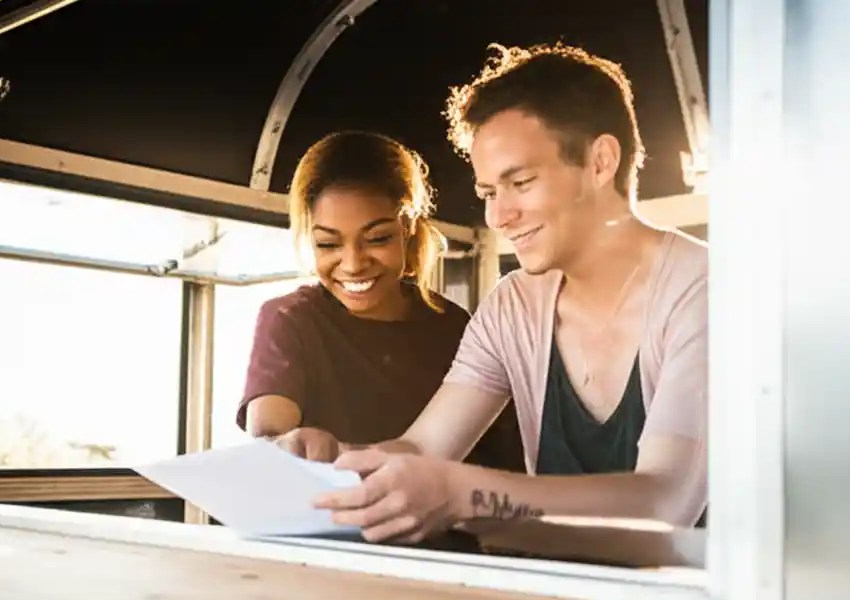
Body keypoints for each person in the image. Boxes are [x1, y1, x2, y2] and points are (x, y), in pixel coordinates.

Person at [279, 43, 708, 543]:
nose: (499, 217)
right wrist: (334, 460)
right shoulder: (512, 306)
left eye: (520, 182)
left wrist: (463, 494)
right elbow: (420, 450)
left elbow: (666, 503)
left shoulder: (706, 290)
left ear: (600, 161)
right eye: (488, 193)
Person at [238, 129, 524, 474]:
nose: (354, 263)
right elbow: (270, 435)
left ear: (409, 229)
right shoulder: (290, 319)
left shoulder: (457, 328)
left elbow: (503, 464)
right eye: (328, 244)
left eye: (377, 238)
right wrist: (285, 446)